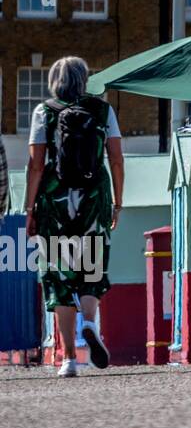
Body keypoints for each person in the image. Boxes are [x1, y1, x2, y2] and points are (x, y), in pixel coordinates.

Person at [23, 56, 125, 378]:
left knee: (58, 278)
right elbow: (117, 159)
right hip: (94, 199)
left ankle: (69, 359)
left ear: (54, 81)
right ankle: (91, 325)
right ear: (84, 80)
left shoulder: (44, 112)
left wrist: (29, 210)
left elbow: (36, 165)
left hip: (54, 202)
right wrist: (117, 203)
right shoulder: (102, 110)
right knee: (89, 271)